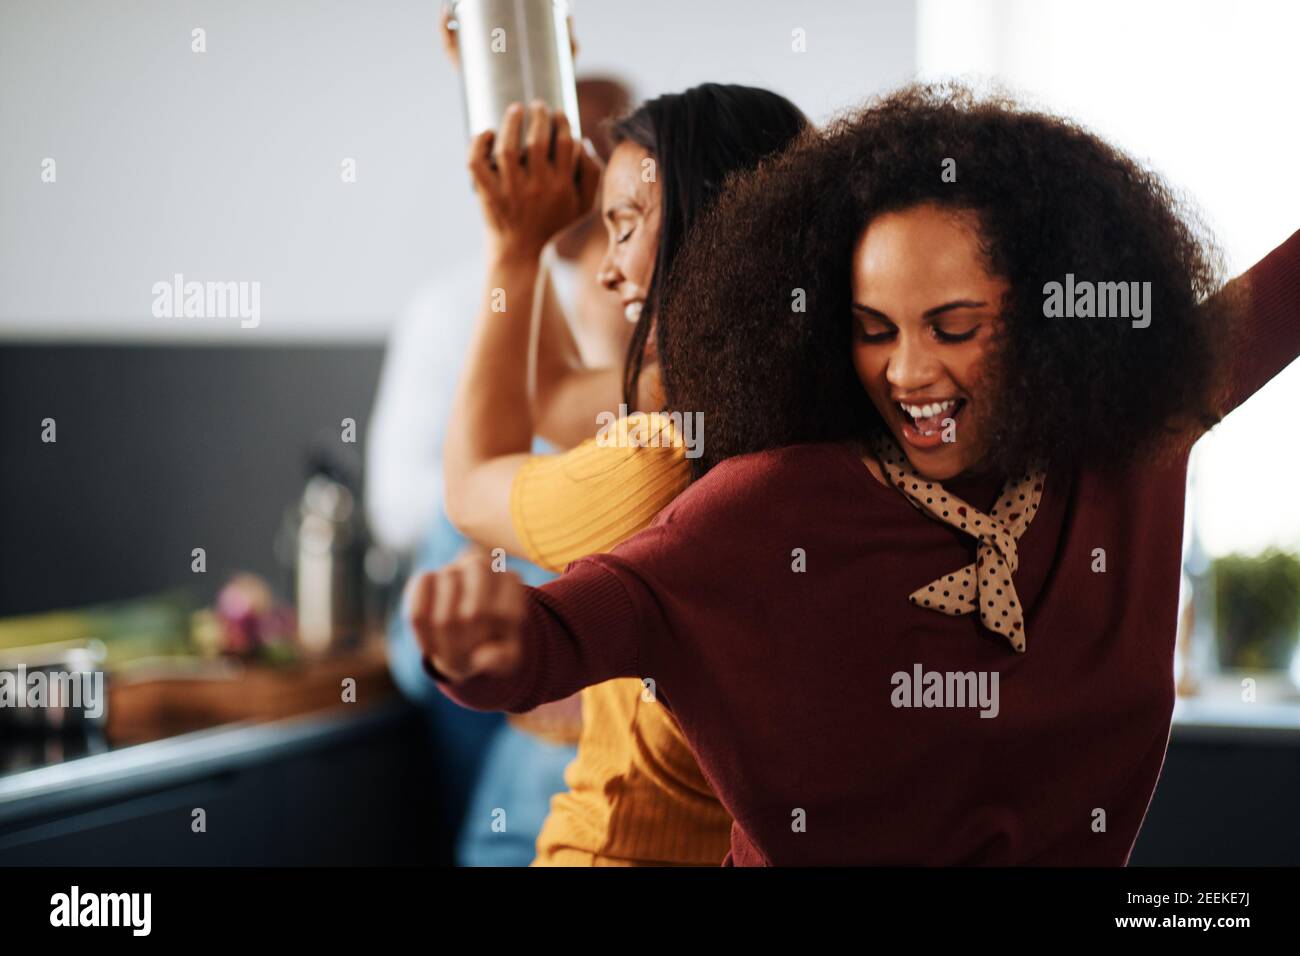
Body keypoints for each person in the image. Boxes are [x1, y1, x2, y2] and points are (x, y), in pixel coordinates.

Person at [411, 83, 1300, 864]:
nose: (908, 372)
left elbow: (1277, 302)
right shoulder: (767, 504)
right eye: (875, 329)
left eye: (953, 327)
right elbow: (572, 630)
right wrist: (485, 648)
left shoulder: (1126, 441)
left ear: (1046, 322)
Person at [442, 85, 810, 864]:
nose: (609, 271)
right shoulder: (808, 423)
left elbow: (471, 484)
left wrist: (513, 247)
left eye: (626, 228)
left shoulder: (663, 459)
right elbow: (546, 394)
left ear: (711, 232)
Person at [366, 11, 633, 861]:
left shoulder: (665, 378)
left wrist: (512, 244)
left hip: (585, 783)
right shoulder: (489, 302)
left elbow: (526, 428)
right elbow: (553, 401)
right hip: (529, 764)